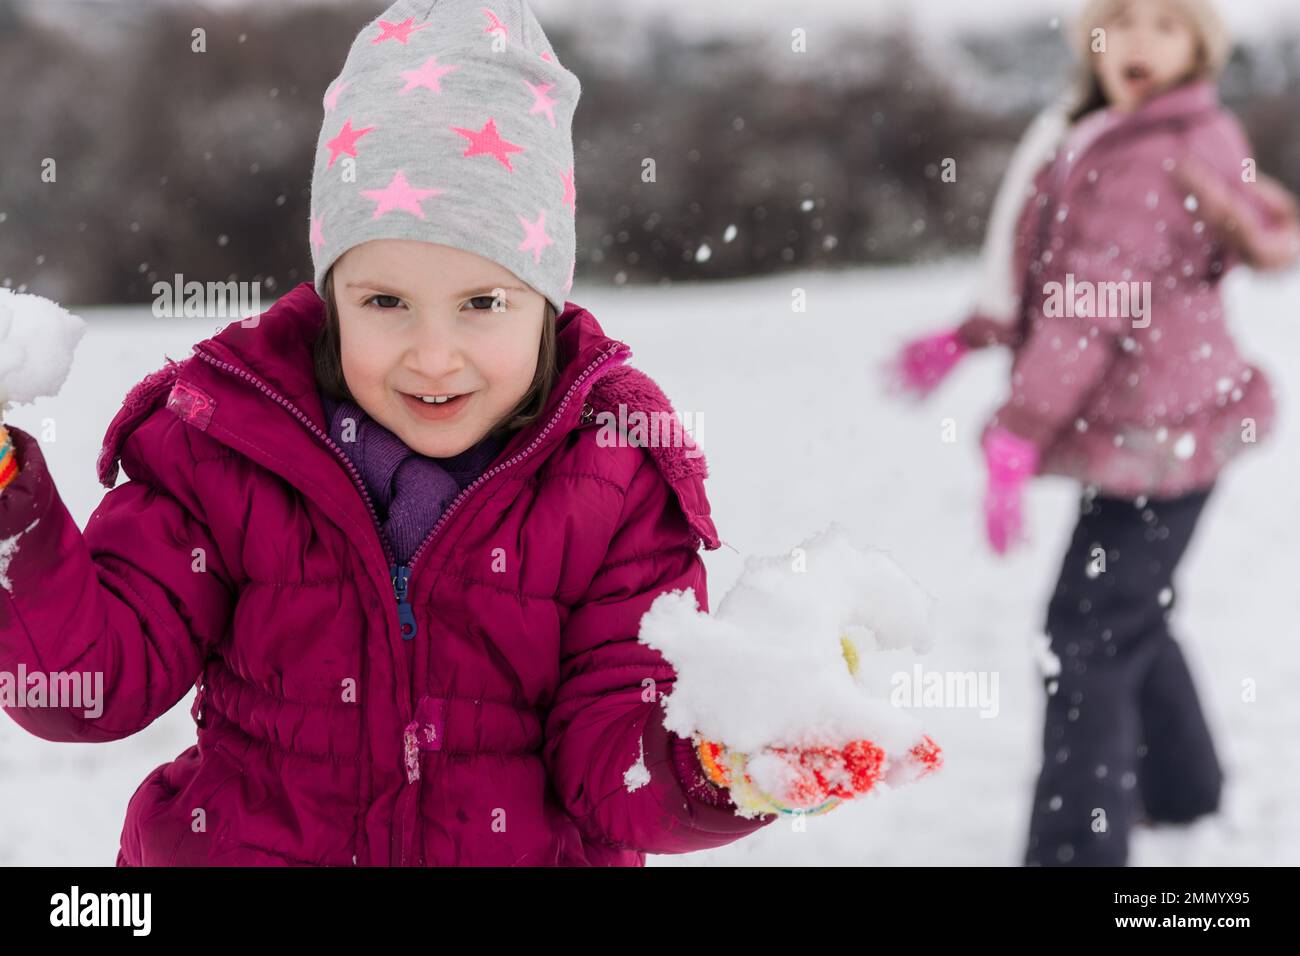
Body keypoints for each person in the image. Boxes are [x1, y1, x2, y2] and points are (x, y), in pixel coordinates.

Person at [0, 0, 903, 866]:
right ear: (330, 299)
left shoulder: (614, 479)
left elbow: (615, 757)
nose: (434, 356)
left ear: (546, 303)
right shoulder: (223, 448)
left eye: (482, 303)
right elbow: (88, 684)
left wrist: (724, 763)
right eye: (385, 301)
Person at [889, 0, 1299, 865]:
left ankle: (1076, 852)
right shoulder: (1105, 129)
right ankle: (1187, 789)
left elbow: (1088, 309)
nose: (1139, 41)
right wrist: (970, 337)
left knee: (1085, 632)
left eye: (1166, 24)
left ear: (1197, 47)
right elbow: (1047, 265)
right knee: (1120, 611)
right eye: (1121, 22)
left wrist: (1019, 431)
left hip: (1161, 440)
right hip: (1162, 428)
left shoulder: (1152, 152)